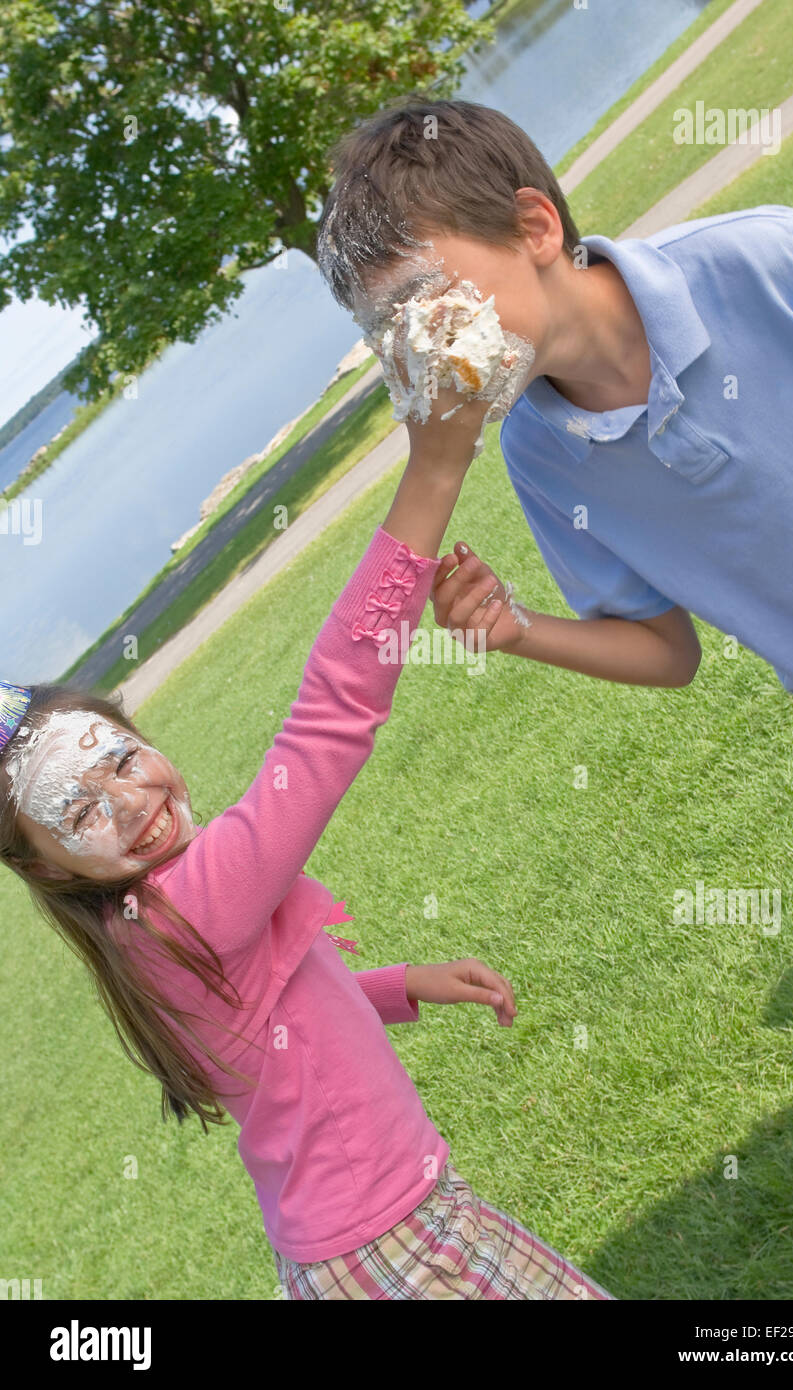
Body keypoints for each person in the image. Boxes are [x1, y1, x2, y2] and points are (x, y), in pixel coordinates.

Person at [0, 385, 612, 1301]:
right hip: (398, 1247)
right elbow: (331, 713)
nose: (129, 802)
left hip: (358, 1245)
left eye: (121, 757)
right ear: (49, 867)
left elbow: (273, 1030)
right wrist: (435, 467)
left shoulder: (146, 924)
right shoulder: (189, 901)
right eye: (79, 810)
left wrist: (399, 988)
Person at [318, 97, 793, 798]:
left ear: (533, 227)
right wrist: (515, 629)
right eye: (384, 332)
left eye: (424, 299)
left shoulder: (763, 262)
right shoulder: (538, 452)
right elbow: (666, 652)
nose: (416, 349)